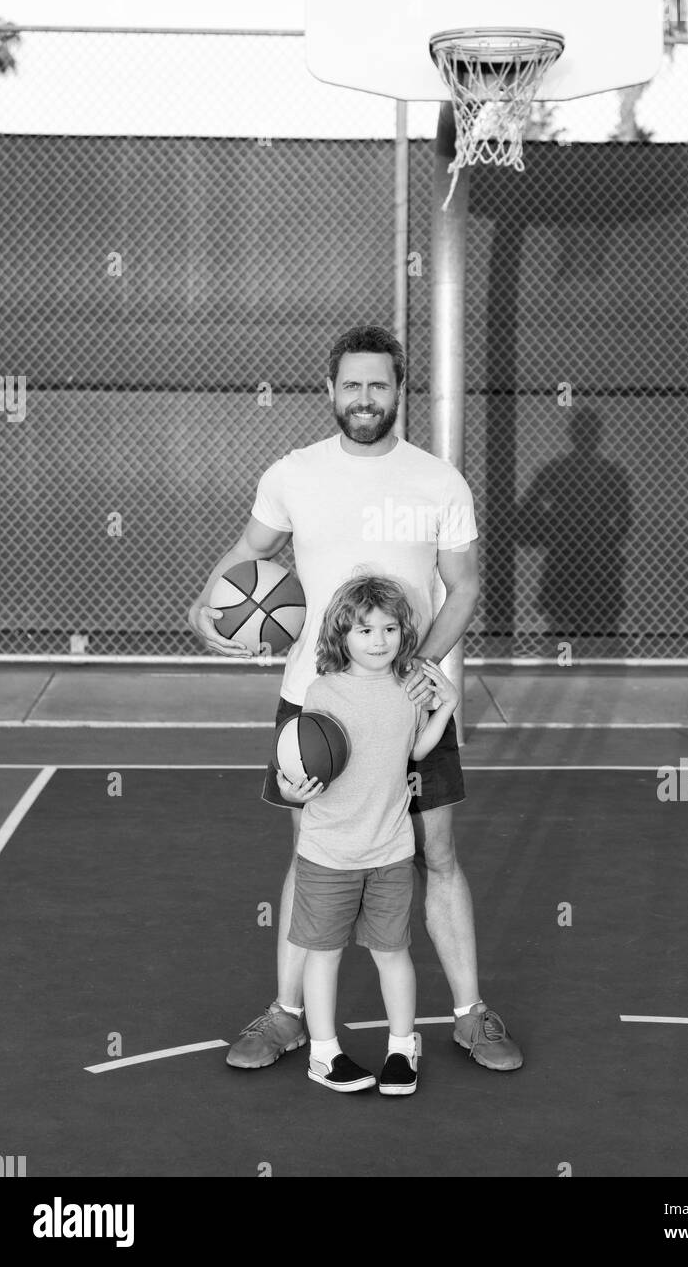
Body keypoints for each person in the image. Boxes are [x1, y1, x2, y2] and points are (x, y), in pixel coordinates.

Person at [188, 324, 522, 1073]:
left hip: (408, 703)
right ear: (329, 390)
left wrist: (421, 668)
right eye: (352, 384)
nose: (365, 398)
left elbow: (464, 586)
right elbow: (249, 554)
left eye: (379, 385)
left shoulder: (439, 481)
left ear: (400, 392)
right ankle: (287, 1016)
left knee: (437, 852)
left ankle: (472, 1015)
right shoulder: (293, 474)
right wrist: (200, 608)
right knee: (313, 854)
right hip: (317, 706)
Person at [280, 573, 459, 1095]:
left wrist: (444, 704)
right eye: (364, 630)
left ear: (404, 632)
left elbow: (417, 752)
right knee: (324, 954)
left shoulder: (409, 691)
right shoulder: (323, 690)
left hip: (390, 851)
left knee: (393, 952)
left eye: (389, 629)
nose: (379, 640)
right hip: (328, 851)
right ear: (343, 635)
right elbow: (300, 762)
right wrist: (294, 794)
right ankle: (323, 1053)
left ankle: (402, 1049)